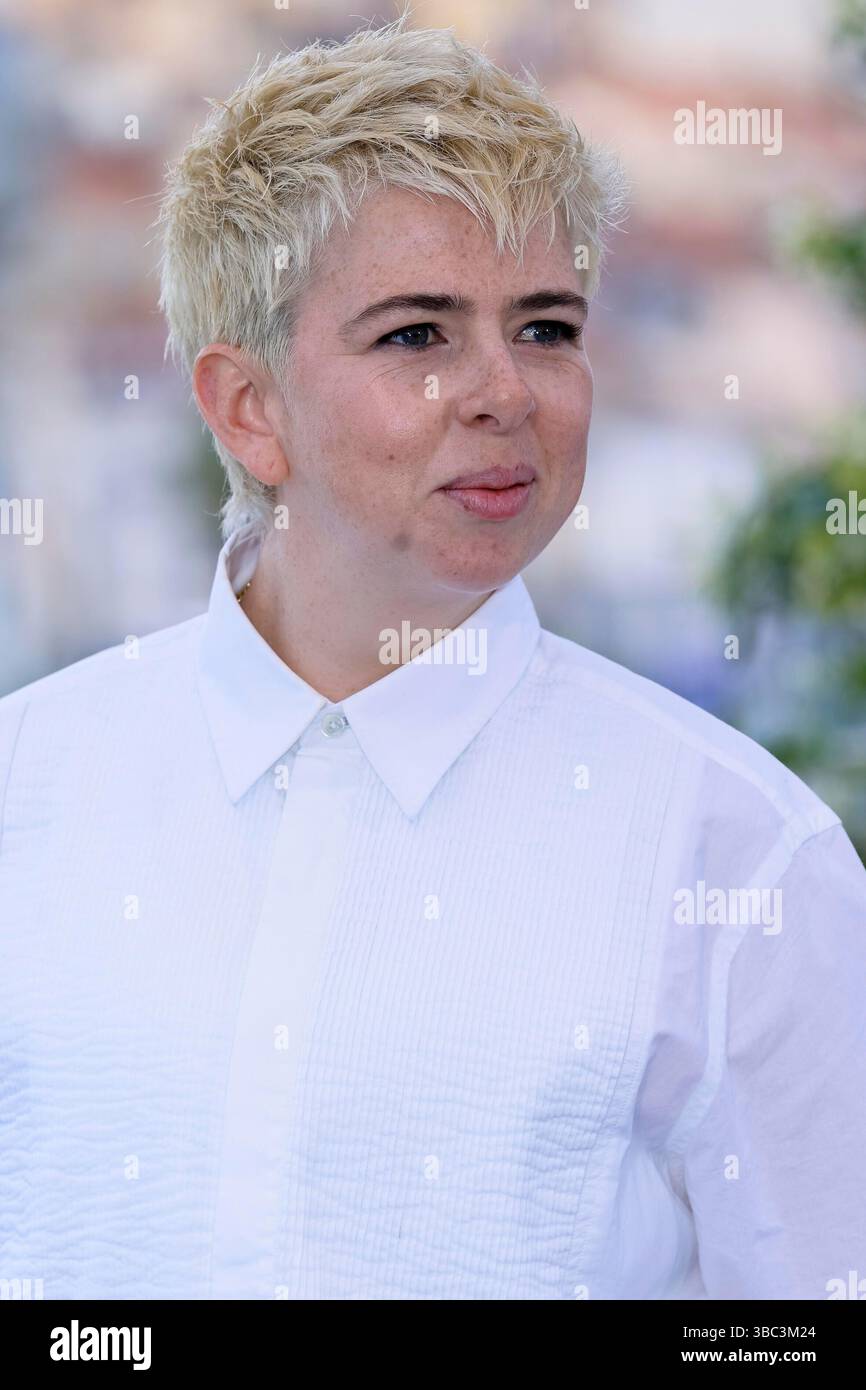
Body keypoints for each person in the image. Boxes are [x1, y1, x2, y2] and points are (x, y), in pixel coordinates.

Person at [1, 14, 864, 1302]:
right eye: (417, 334)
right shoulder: (30, 792)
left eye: (547, 327)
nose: (504, 392)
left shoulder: (736, 854)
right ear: (248, 408)